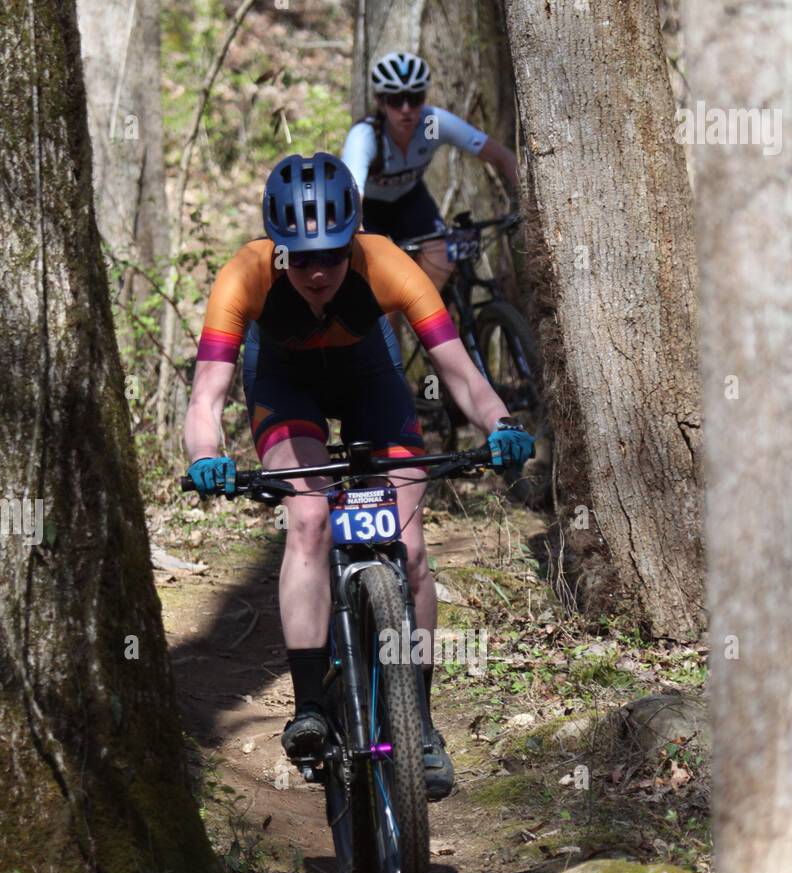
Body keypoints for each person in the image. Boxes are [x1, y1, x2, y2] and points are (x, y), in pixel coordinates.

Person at [184, 153, 533, 801]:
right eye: (300, 256)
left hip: (370, 382)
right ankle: (312, 705)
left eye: (332, 255)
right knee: (311, 519)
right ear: (276, 248)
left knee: (413, 548)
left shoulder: (388, 264)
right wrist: (207, 455)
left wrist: (501, 424)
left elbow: (459, 370)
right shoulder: (245, 274)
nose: (317, 271)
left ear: (354, 242)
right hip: (285, 388)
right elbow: (207, 394)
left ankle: (419, 724)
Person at [341, 50, 518, 291]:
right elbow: (352, 198)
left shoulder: (431, 125)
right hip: (369, 209)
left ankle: (423, 323)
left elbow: (502, 157)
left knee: (441, 261)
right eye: (395, 99)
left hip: (410, 200)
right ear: (381, 102)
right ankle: (390, 322)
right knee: (382, 288)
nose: (406, 109)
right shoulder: (366, 137)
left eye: (414, 98)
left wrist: (530, 202)